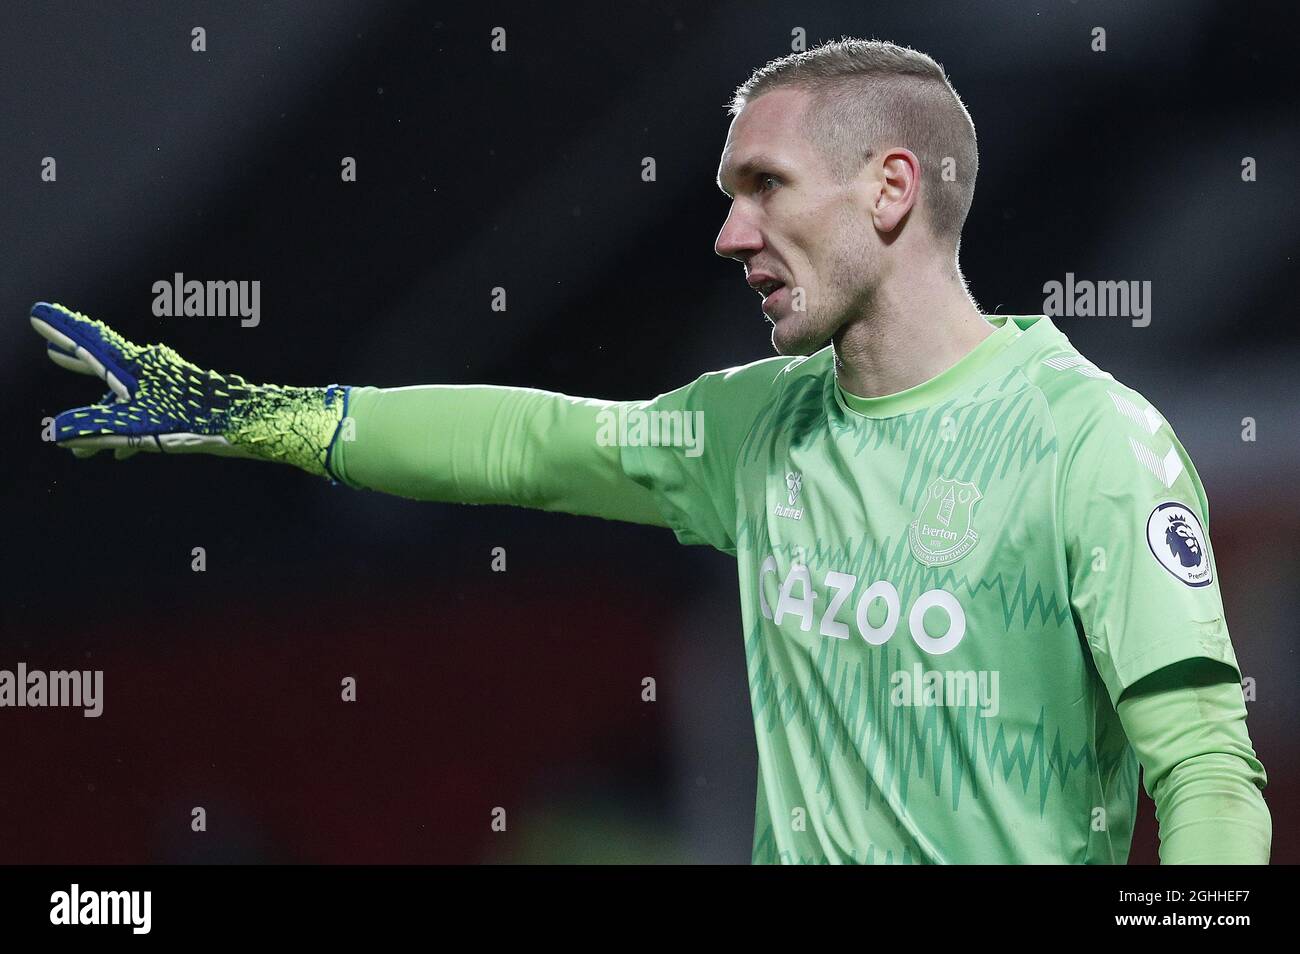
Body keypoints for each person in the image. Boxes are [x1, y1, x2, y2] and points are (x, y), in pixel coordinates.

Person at [31, 38, 1270, 864]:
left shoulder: (1091, 445)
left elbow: (1207, 772)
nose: (732, 235)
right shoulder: (759, 426)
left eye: (767, 188)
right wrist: (249, 412)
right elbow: (527, 440)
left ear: (889, 193)